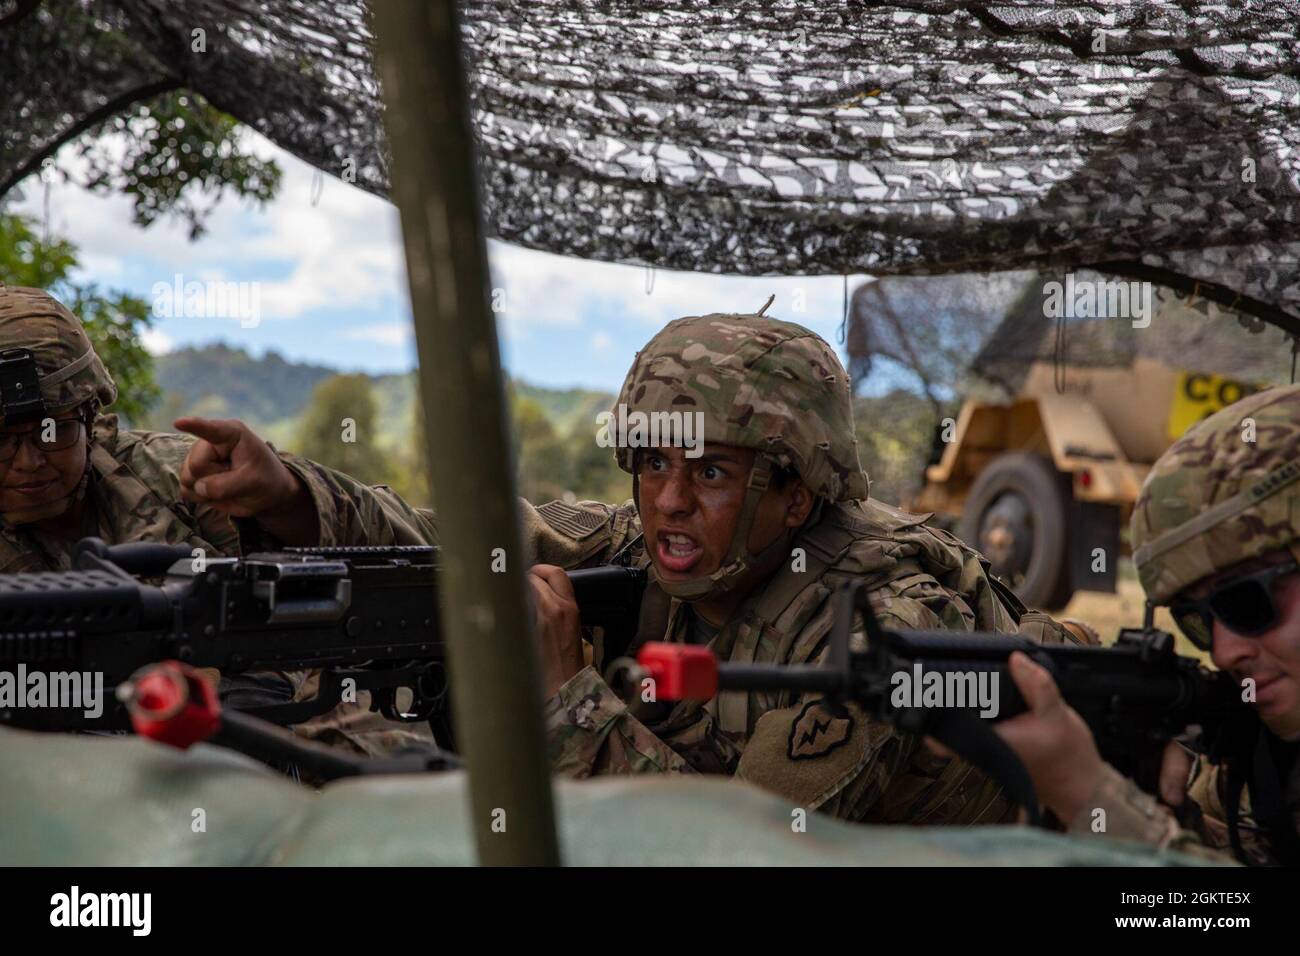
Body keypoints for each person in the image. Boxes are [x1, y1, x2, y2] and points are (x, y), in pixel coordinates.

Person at [523, 307, 1088, 823]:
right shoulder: (651, 542)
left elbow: (737, 851)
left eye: (711, 473)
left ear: (796, 496)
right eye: (653, 462)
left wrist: (568, 700)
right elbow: (472, 537)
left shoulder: (878, 632)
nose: (670, 500)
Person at [0, 284, 440, 757]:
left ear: (89, 416)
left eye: (55, 430)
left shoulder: (182, 477)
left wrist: (288, 499)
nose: (27, 461)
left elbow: (399, 540)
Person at [993, 384, 1300, 865]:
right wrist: (1157, 807)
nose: (1223, 653)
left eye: (1247, 602)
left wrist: (1091, 798)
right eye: (1198, 621)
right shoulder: (1264, 747)